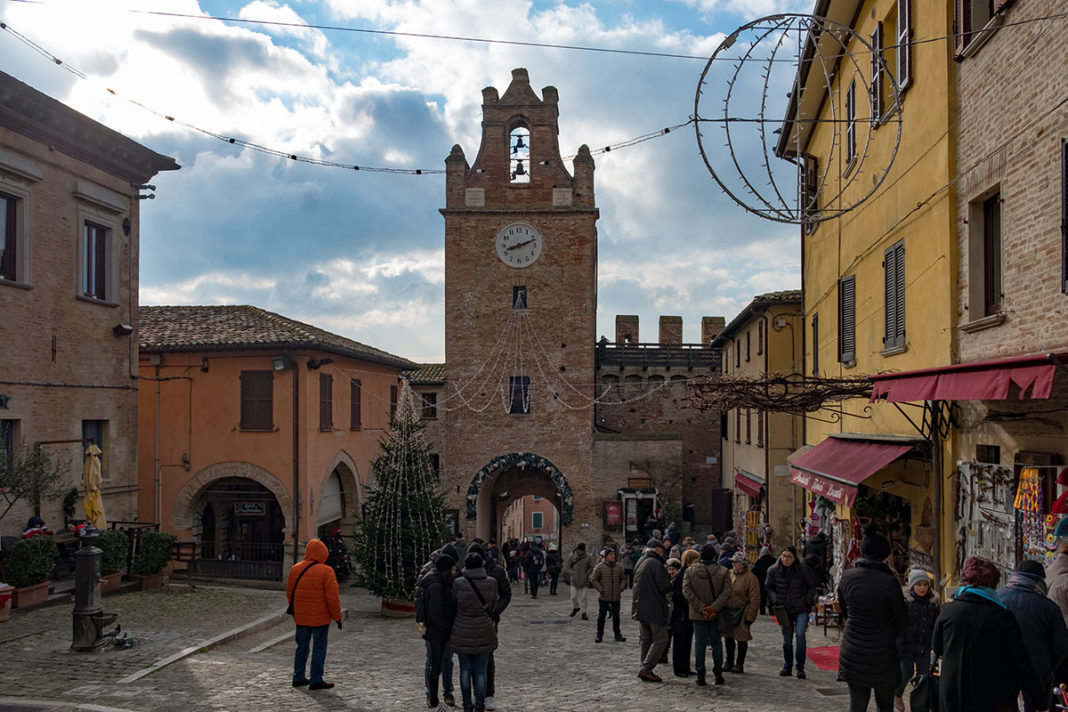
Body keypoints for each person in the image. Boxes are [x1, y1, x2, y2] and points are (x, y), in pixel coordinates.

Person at [933, 556, 1046, 712]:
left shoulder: (949, 612)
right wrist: (1039, 701)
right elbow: (1021, 662)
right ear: (993, 584)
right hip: (994, 698)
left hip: (954, 695)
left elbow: (937, 647)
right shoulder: (1002, 616)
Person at [835, 525, 908, 712]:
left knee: (857, 705)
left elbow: (845, 611)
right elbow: (901, 619)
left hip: (852, 648)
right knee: (884, 705)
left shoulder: (847, 577)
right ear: (884, 554)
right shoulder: (889, 581)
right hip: (883, 651)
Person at [998, 559, 1068, 712]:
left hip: (1004, 670)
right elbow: (1061, 645)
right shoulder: (1048, 607)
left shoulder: (997, 600)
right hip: (1038, 671)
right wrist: (1048, 665)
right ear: (1038, 580)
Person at [286, 538, 343, 691]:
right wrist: (337, 617)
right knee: (319, 647)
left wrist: (299, 609)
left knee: (302, 647)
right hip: (320, 618)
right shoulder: (326, 571)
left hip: (302, 617)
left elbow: (290, 594)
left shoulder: (295, 569)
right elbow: (332, 598)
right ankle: (316, 679)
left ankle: (298, 676)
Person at [452, 551, 499, 712]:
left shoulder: (458, 583)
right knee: (481, 671)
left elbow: (454, 604)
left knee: (465, 669)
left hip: (462, 629)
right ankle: (480, 705)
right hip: (484, 629)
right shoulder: (491, 582)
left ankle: (466, 705)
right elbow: (493, 605)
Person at [468, 543, 510, 712]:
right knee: (471, 657)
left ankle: (488, 694)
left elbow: (506, 594)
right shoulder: (467, 571)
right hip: (470, 620)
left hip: (490, 620)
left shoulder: (497, 571)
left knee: (488, 658)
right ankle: (476, 692)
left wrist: (495, 611)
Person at [683, 542, 732, 686]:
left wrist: (701, 607)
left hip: (698, 614)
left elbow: (687, 592)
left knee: (700, 644)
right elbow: (727, 593)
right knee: (716, 643)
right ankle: (718, 672)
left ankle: (700, 673)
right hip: (716, 613)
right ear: (715, 557)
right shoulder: (723, 572)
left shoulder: (690, 572)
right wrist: (713, 608)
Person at [765, 545, 818, 679]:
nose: (785, 559)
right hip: (784, 609)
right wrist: (775, 600)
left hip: (800, 607)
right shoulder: (773, 570)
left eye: (788, 557)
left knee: (800, 635)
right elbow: (769, 586)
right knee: (786, 639)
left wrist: (807, 600)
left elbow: (812, 585)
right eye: (783, 556)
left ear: (795, 558)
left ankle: (800, 667)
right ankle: (787, 665)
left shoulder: (803, 570)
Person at [418, 545, 459, 708]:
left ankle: (439, 695)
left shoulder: (441, 580)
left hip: (439, 631)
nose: (455, 572)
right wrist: (448, 628)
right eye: (453, 569)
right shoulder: (435, 584)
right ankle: (433, 699)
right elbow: (436, 613)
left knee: (442, 663)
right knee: (435, 665)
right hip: (437, 632)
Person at [894, 567, 940, 711]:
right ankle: (897, 693)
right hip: (907, 646)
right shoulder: (906, 602)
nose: (922, 588)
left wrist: (936, 645)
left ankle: (920, 706)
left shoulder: (933, 602)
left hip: (924, 646)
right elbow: (899, 627)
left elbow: (936, 625)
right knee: (905, 672)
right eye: (919, 584)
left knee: (923, 678)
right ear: (912, 585)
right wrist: (899, 648)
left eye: (925, 584)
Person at [632, 539, 674, 682]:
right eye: (662, 550)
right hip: (653, 607)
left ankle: (645, 665)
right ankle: (646, 669)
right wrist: (672, 581)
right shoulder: (656, 564)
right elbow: (664, 587)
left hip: (640, 606)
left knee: (646, 638)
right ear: (657, 550)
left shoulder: (641, 561)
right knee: (661, 639)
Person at [723, 551, 761, 674]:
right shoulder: (729, 574)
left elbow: (755, 599)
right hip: (728, 611)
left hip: (743, 611)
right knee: (728, 637)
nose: (734, 564)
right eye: (733, 562)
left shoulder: (751, 578)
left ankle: (739, 663)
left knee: (741, 638)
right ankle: (728, 661)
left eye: (736, 562)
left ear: (743, 564)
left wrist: (750, 617)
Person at [670, 549, 699, 676]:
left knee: (687, 641)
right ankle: (679, 669)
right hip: (680, 613)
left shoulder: (689, 573)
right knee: (679, 643)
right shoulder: (681, 575)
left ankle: (685, 667)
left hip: (687, 613)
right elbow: (676, 595)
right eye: (695, 561)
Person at [591, 546, 627, 643]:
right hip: (604, 596)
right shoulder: (600, 567)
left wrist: (621, 587)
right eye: (611, 554)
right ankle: (599, 634)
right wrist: (601, 589)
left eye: (614, 554)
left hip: (616, 596)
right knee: (602, 616)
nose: (613, 556)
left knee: (616, 616)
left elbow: (623, 578)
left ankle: (617, 634)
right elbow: (593, 579)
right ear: (606, 556)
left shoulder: (619, 567)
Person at [564, 542, 595, 620]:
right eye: (579, 550)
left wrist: (586, 574)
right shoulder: (571, 556)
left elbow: (592, 567)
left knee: (584, 597)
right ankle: (576, 607)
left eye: (582, 551)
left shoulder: (588, 557)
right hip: (574, 580)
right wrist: (573, 574)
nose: (580, 552)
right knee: (573, 596)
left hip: (584, 580)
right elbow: (568, 566)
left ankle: (584, 613)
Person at [752, 546, 776, 615]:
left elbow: (754, 571)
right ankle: (771, 610)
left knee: (763, 596)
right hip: (772, 580)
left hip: (762, 581)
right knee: (771, 596)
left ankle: (762, 610)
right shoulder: (774, 560)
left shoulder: (759, 561)